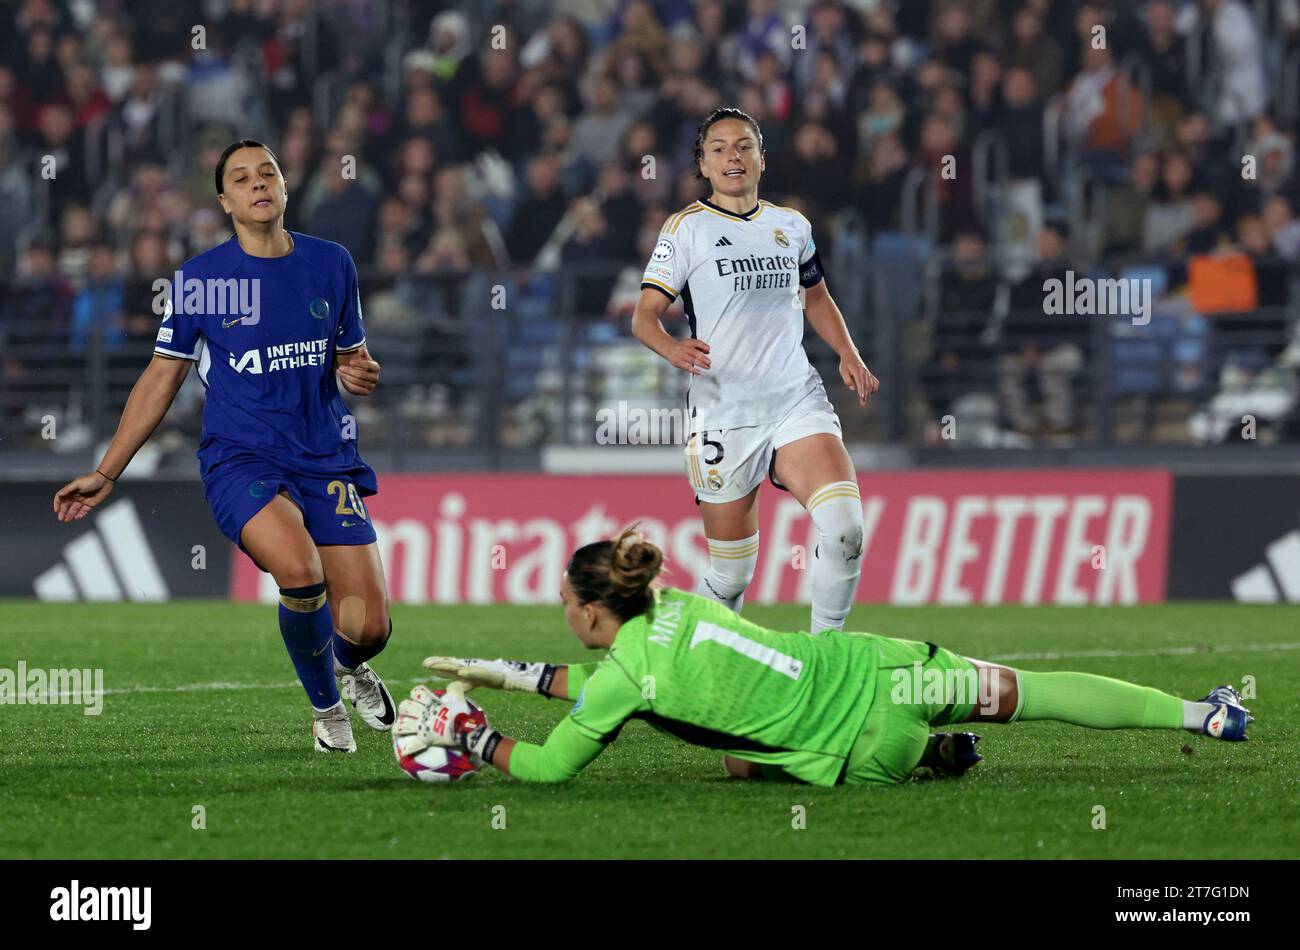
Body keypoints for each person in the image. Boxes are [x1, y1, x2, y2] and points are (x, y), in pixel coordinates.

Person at [398, 529, 1251, 787]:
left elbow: (552, 766)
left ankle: (927, 757)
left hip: (864, 752)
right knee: (1035, 692)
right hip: (887, 670)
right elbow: (617, 679)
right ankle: (1202, 715)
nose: (561, 613)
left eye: (564, 602)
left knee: (738, 759)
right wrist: (510, 673)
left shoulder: (625, 679)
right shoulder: (681, 602)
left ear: (592, 612)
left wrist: (475, 736)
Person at [52, 140, 396, 754]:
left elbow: (352, 357)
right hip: (242, 457)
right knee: (300, 570)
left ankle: (348, 664)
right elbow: (162, 376)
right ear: (224, 202)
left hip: (325, 454)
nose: (257, 183)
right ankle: (326, 708)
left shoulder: (331, 262)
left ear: (285, 187)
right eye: (241, 178)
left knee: (370, 627)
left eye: (268, 172)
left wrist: (361, 373)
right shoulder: (202, 281)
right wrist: (107, 471)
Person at [630, 107, 878, 637]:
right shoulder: (686, 230)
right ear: (702, 164)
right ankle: (690, 661)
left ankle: (826, 656)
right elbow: (644, 317)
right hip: (724, 412)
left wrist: (848, 352)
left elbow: (816, 297)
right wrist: (672, 348)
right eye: (718, 149)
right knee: (732, 574)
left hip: (795, 399)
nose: (733, 157)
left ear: (762, 158)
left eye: (744, 146)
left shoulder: (791, 225)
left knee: (844, 528)